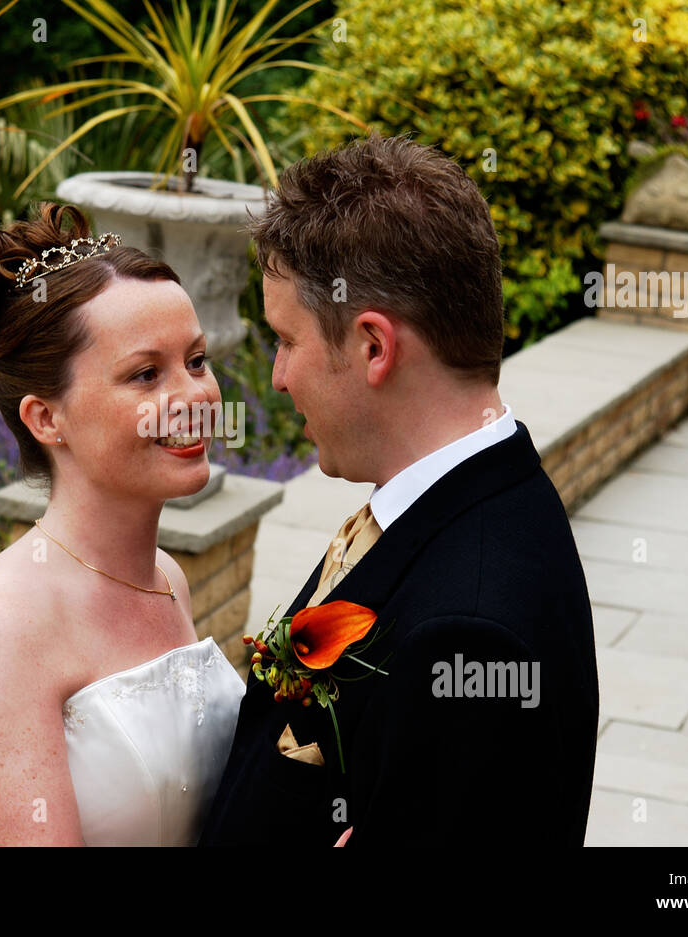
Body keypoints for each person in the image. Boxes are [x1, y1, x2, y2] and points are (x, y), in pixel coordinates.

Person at [197, 132, 600, 847]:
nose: (279, 377)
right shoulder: (458, 501)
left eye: (287, 340)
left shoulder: (469, 633)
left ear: (374, 346)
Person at [0, 202, 245, 846]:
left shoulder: (169, 581)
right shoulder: (0, 625)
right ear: (47, 419)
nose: (194, 399)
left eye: (197, 360)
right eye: (146, 374)